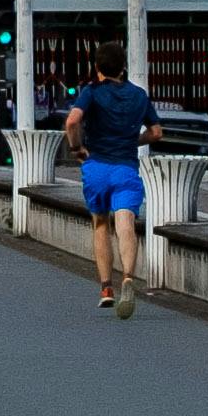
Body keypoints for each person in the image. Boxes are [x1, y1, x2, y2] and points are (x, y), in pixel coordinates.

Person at [60, 49, 164, 314]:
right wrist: (133, 141)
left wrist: (76, 149)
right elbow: (156, 132)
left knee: (101, 225)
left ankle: (106, 287)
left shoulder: (92, 91)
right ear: (123, 67)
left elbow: (72, 121)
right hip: (126, 168)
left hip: (97, 167)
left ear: (98, 67)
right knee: (125, 223)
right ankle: (128, 277)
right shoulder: (139, 95)